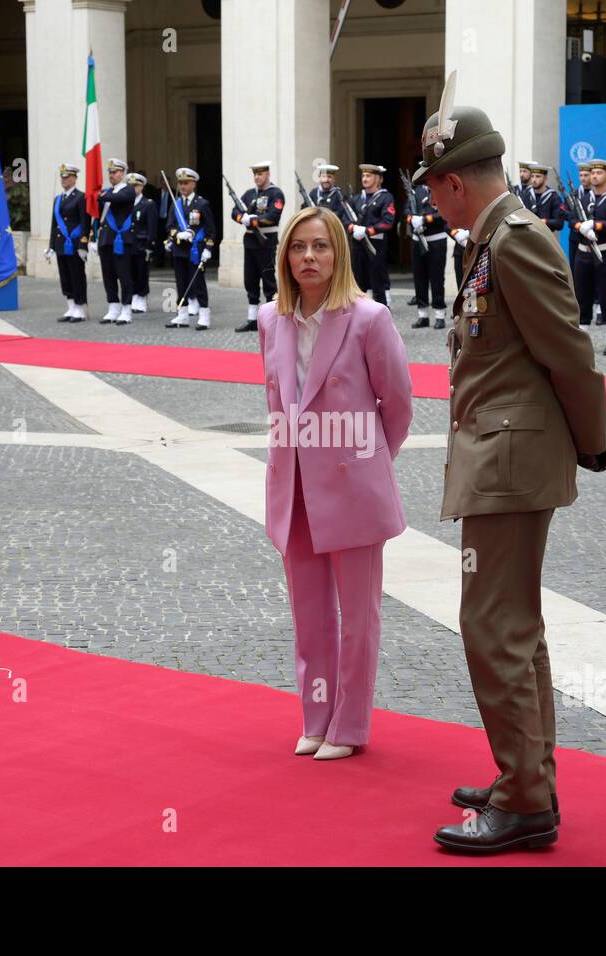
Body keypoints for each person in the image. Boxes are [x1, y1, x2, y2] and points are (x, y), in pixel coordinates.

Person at [412, 90, 606, 853]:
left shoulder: (513, 238)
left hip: (509, 463)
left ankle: (523, 799)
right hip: (501, 455)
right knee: (515, 624)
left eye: (433, 186)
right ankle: (527, 776)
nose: (434, 201)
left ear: (454, 181)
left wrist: (593, 442)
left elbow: (568, 351)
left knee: (494, 628)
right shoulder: (492, 238)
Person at [256, 205, 413, 762]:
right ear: (285, 257)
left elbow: (397, 404)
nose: (309, 257)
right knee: (310, 612)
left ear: (338, 254)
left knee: (358, 614)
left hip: (352, 487)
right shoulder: (269, 319)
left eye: (320, 246)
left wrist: (367, 462)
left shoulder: (369, 318)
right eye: (298, 248)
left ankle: (349, 725)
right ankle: (315, 717)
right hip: (294, 485)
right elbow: (278, 401)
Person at [570, 158, 606, 353]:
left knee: (605, 295)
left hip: (605, 253)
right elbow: (572, 219)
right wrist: (580, 227)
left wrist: (595, 225)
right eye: (592, 173)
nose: (594, 176)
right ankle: (582, 338)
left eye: (599, 173)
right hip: (583, 254)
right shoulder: (584, 198)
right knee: (582, 296)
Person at [232, 161, 285, 333]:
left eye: (260, 174)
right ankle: (252, 318)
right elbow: (235, 211)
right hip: (250, 241)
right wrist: (243, 219)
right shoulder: (249, 194)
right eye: (255, 174)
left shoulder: (276, 193)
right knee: (250, 280)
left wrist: (254, 220)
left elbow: (273, 215)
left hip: (266, 241)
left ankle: (274, 319)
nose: (257, 177)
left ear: (267, 174)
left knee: (269, 281)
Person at [164, 166, 216, 330]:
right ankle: (183, 315)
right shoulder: (176, 204)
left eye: (186, 183)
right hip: (180, 250)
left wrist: (208, 249)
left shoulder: (201, 204)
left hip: (196, 250)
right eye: (180, 183)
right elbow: (170, 226)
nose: (182, 186)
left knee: (198, 283)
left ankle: (204, 316)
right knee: (181, 283)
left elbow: (211, 229)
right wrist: (177, 235)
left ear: (193, 184)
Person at [93, 158, 135, 325]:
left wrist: (101, 195)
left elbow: (118, 198)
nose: (112, 175)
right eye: (110, 172)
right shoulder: (107, 193)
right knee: (108, 275)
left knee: (124, 275)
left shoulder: (128, 190)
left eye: (115, 172)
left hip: (121, 240)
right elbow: (97, 216)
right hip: (106, 239)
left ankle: (126, 309)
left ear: (123, 173)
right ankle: (113, 306)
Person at [348, 163, 397, 306]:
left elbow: (387, 222)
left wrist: (367, 231)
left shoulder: (385, 198)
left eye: (369, 176)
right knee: (358, 281)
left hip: (375, 245)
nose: (365, 179)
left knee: (377, 282)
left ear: (379, 179)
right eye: (363, 175)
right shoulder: (357, 198)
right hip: (358, 245)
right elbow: (346, 219)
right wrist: (352, 228)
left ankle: (381, 311)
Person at [406, 176, 448, 329]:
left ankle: (439, 314)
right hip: (418, 241)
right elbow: (407, 209)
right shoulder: (415, 191)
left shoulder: (440, 190)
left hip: (436, 240)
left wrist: (424, 220)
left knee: (436, 279)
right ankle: (422, 315)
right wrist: (412, 219)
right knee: (419, 277)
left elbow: (443, 214)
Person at [49, 163, 89, 322]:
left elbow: (85, 223)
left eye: (67, 177)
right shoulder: (58, 199)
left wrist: (83, 245)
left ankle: (80, 307)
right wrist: (51, 246)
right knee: (65, 276)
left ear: (74, 178)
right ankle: (71, 305)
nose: (63, 180)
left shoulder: (81, 197)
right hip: (61, 243)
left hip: (74, 244)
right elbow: (53, 224)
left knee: (76, 275)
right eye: (62, 177)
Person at [127, 172, 157, 314]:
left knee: (141, 272)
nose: (133, 188)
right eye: (131, 186)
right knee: (130, 271)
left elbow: (152, 226)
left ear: (142, 187)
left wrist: (150, 245)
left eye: (136, 186)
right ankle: (133, 296)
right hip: (128, 243)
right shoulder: (126, 203)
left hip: (141, 243)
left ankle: (142, 297)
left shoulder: (148, 204)